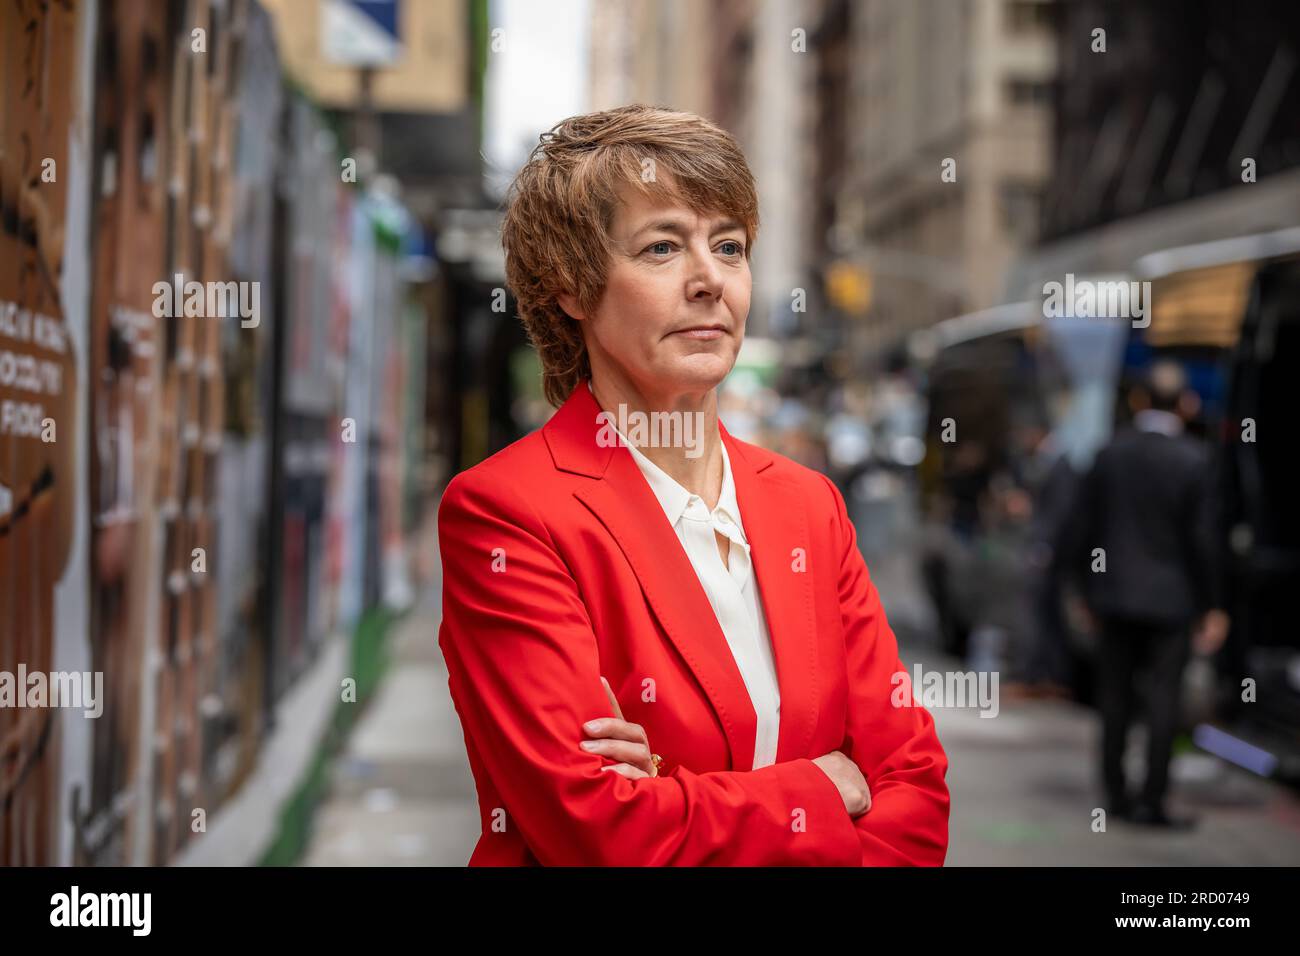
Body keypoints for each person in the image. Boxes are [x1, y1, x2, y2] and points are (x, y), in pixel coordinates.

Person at [436, 105, 950, 866]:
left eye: (729, 246)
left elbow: (917, 795)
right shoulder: (509, 514)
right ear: (572, 288)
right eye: (663, 246)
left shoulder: (810, 507)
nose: (709, 279)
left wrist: (671, 791)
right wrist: (816, 788)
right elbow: (599, 831)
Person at [1065, 360, 1229, 829]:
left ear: (1138, 401)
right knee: (1163, 701)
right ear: (1186, 404)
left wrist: (1083, 590)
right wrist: (1213, 604)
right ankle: (1151, 801)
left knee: (1114, 697)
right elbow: (1204, 541)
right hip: (1170, 601)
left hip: (1114, 596)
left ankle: (1114, 796)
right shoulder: (1195, 459)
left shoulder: (1109, 453)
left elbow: (1083, 529)